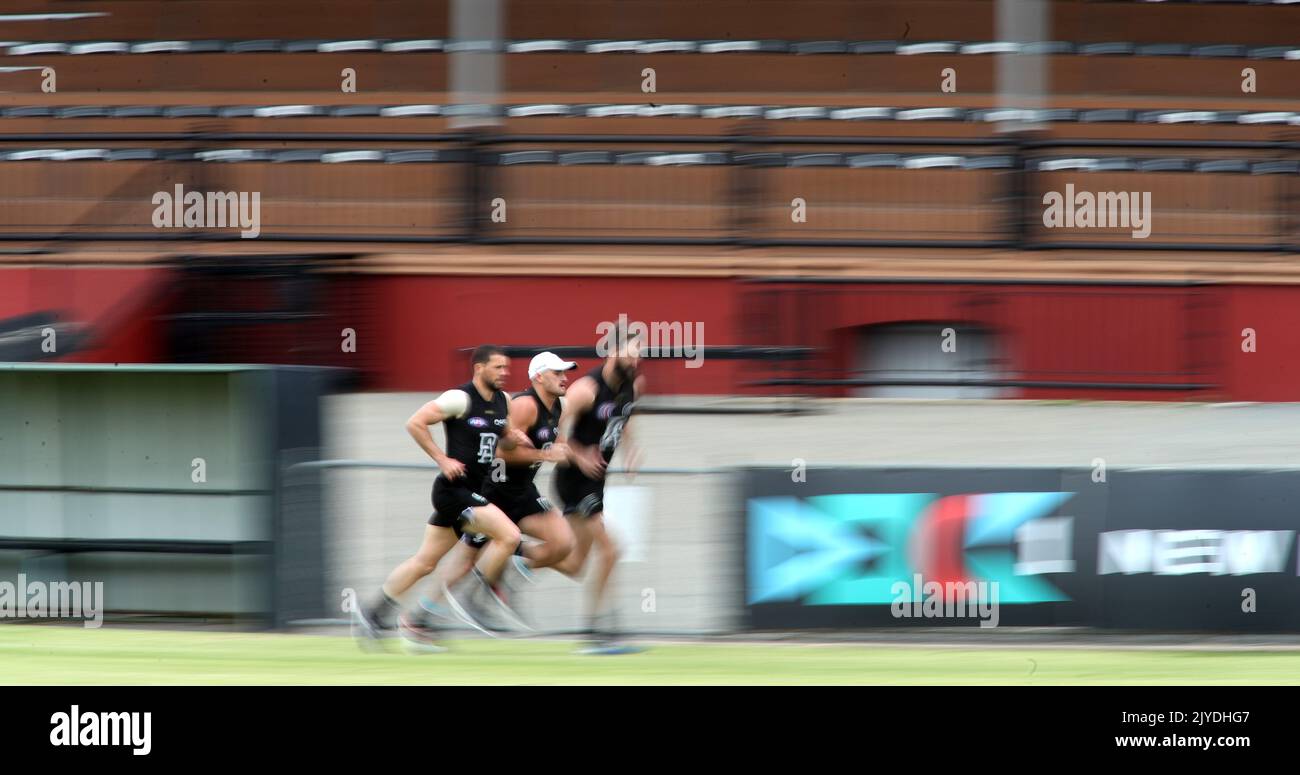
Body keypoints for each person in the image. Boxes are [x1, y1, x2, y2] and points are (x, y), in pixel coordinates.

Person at [352, 345, 527, 653]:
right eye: (498, 367)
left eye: (506, 368)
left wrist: (514, 439)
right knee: (510, 535)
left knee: (425, 563)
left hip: (476, 492)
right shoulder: (459, 398)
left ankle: (375, 613)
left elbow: (504, 436)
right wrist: (442, 459)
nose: (504, 373)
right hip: (454, 490)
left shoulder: (505, 401)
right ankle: (475, 600)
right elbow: (415, 423)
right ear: (479, 369)